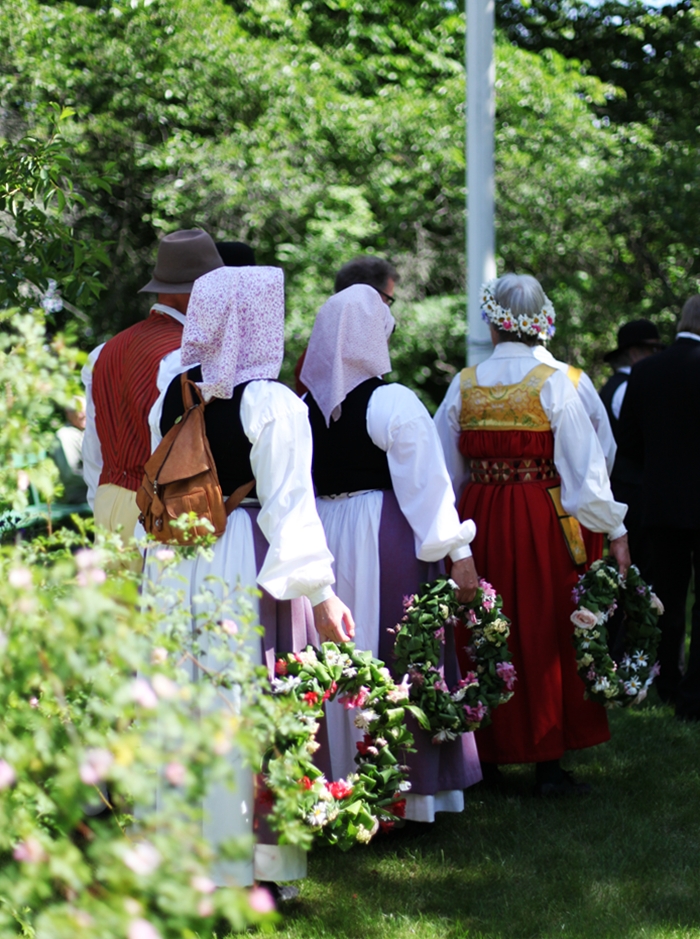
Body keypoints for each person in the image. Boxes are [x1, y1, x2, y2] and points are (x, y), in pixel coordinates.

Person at [145, 265, 355, 891]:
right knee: (245, 698)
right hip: (244, 552)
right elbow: (291, 507)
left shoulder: (174, 392)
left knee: (188, 694)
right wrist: (321, 594)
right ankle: (252, 865)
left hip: (180, 556)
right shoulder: (272, 403)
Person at [434, 274, 630, 795]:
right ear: (541, 318)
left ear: (492, 322)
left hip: (480, 516)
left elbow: (442, 468)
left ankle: (486, 759)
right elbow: (595, 461)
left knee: (481, 625)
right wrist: (614, 527)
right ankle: (546, 762)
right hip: (544, 515)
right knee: (544, 625)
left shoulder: (464, 383)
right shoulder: (563, 380)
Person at [300, 284, 483, 824]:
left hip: (323, 534)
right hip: (385, 531)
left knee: (335, 649)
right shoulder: (392, 401)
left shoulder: (299, 407)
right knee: (392, 650)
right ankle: (408, 790)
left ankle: (339, 777)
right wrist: (457, 552)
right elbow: (428, 487)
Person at [82, 229, 224, 539]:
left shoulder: (101, 353)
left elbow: (93, 450)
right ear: (196, 292)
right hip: (154, 512)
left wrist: (99, 506)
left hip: (107, 503)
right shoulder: (184, 358)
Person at [617, 298, 700, 717]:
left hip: (661, 501)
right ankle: (695, 694)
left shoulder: (647, 370)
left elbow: (628, 442)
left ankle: (666, 682)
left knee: (667, 596)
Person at [599, 319, 664, 580]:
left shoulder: (613, 386)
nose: (656, 357)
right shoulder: (628, 388)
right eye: (652, 350)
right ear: (635, 352)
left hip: (622, 485)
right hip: (632, 489)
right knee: (638, 566)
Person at [293, 256, 398, 395]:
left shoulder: (311, 357)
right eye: (387, 300)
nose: (387, 310)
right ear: (369, 296)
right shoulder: (364, 361)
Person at [52, 398, 88, 505]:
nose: (83, 415)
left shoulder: (89, 431)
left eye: (85, 410)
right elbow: (71, 474)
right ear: (68, 413)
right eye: (79, 411)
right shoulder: (64, 436)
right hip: (81, 495)